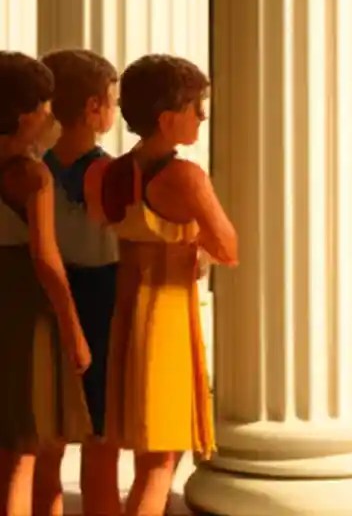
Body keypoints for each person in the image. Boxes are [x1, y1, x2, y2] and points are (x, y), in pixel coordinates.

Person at [84, 55, 237, 515]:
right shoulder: (186, 177)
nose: (203, 117)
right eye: (196, 107)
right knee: (160, 461)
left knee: (140, 450)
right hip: (166, 320)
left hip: (125, 315)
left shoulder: (104, 173)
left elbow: (110, 223)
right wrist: (199, 246)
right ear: (169, 119)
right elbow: (229, 246)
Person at [0, 52, 93, 514]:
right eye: (43, 105)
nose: (49, 115)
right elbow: (47, 258)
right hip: (24, 313)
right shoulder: (32, 176)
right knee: (23, 448)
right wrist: (73, 330)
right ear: (23, 115)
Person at [36, 49, 123, 515]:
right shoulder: (108, 171)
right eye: (112, 100)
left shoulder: (37, 168)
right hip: (103, 300)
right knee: (101, 440)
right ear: (94, 109)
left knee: (50, 439)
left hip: (50, 299)